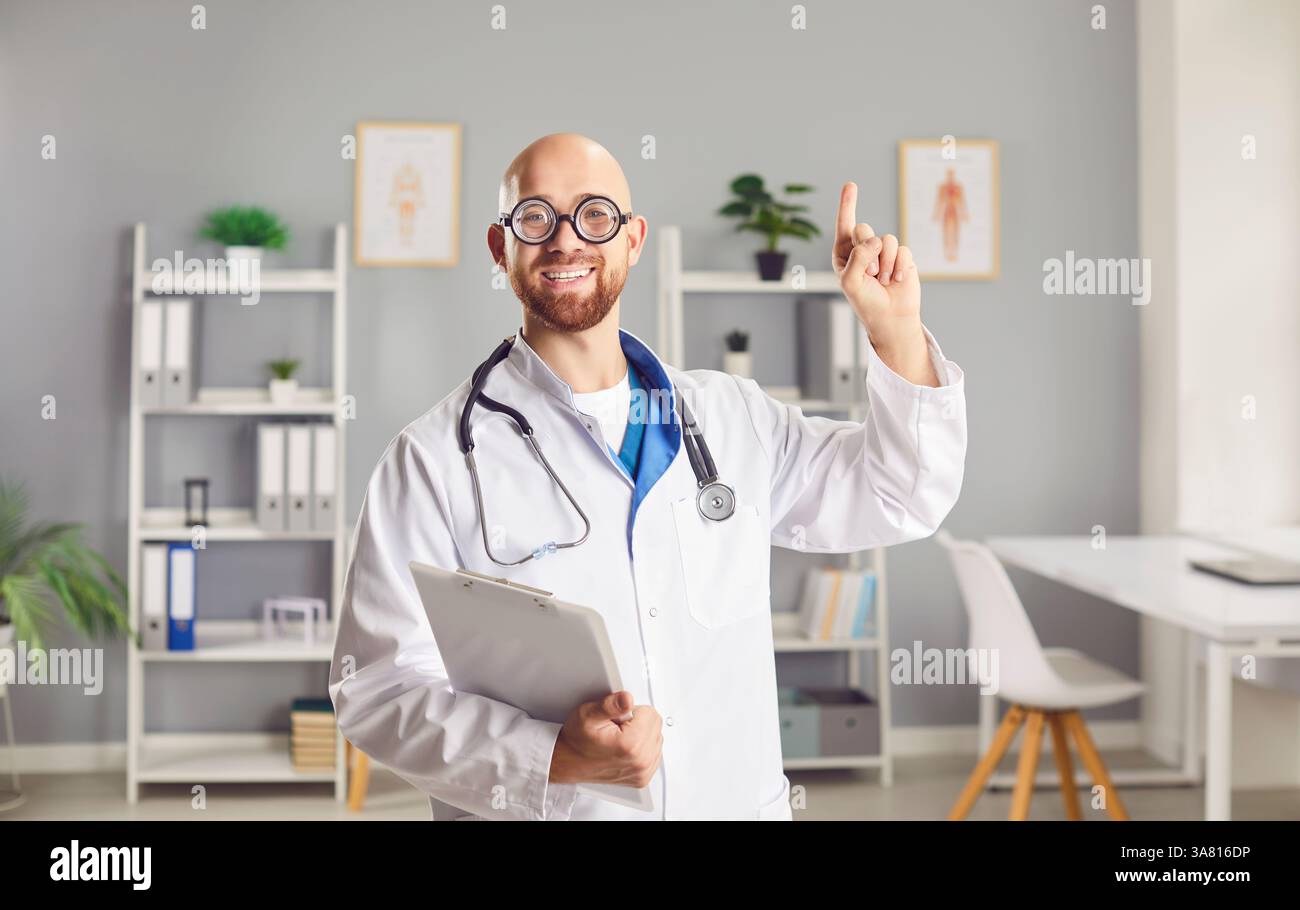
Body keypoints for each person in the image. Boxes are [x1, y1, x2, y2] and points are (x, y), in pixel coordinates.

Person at [329, 133, 967, 820]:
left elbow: (900, 496)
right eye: (536, 216)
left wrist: (897, 333)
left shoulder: (732, 420)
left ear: (633, 240)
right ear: (500, 246)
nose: (566, 240)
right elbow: (378, 690)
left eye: (595, 215)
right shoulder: (432, 459)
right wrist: (550, 757)